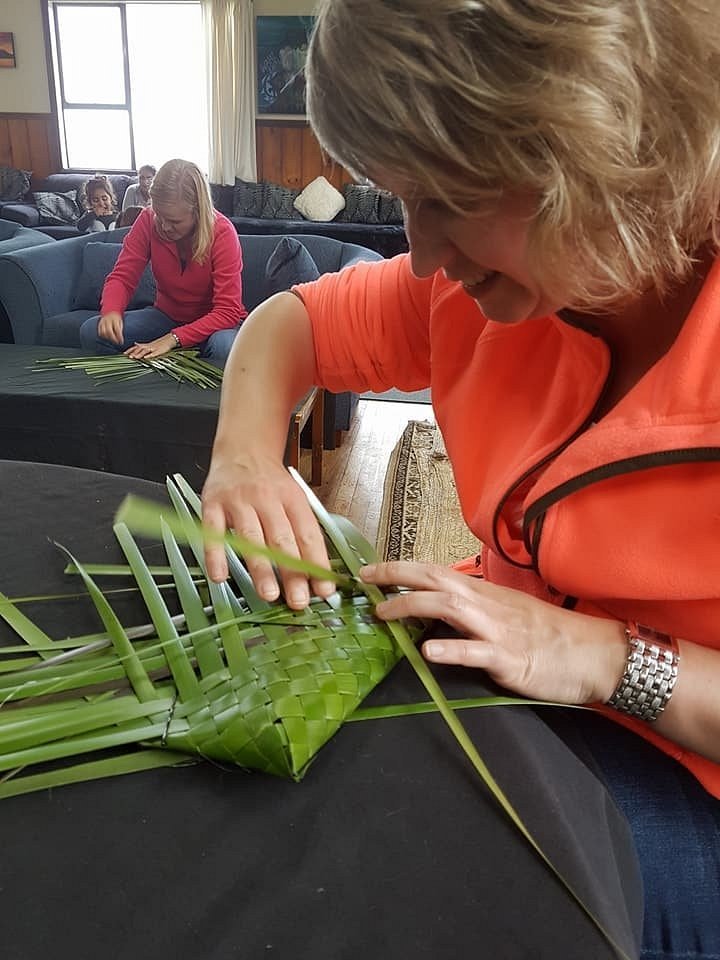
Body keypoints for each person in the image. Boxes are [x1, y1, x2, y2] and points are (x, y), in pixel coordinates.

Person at [201, 1, 720, 958]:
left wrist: (602, 656)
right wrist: (243, 457)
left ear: (594, 138)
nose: (423, 250)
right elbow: (290, 323)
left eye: (449, 195)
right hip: (514, 699)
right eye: (403, 195)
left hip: (689, 776)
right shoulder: (472, 286)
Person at [79, 158, 246, 368]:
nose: (164, 226)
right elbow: (123, 276)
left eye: (174, 221)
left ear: (197, 211)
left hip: (215, 326)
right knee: (91, 332)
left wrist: (172, 339)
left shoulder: (223, 233)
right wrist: (111, 310)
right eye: (160, 216)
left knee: (224, 347)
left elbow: (228, 311)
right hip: (166, 317)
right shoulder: (148, 219)